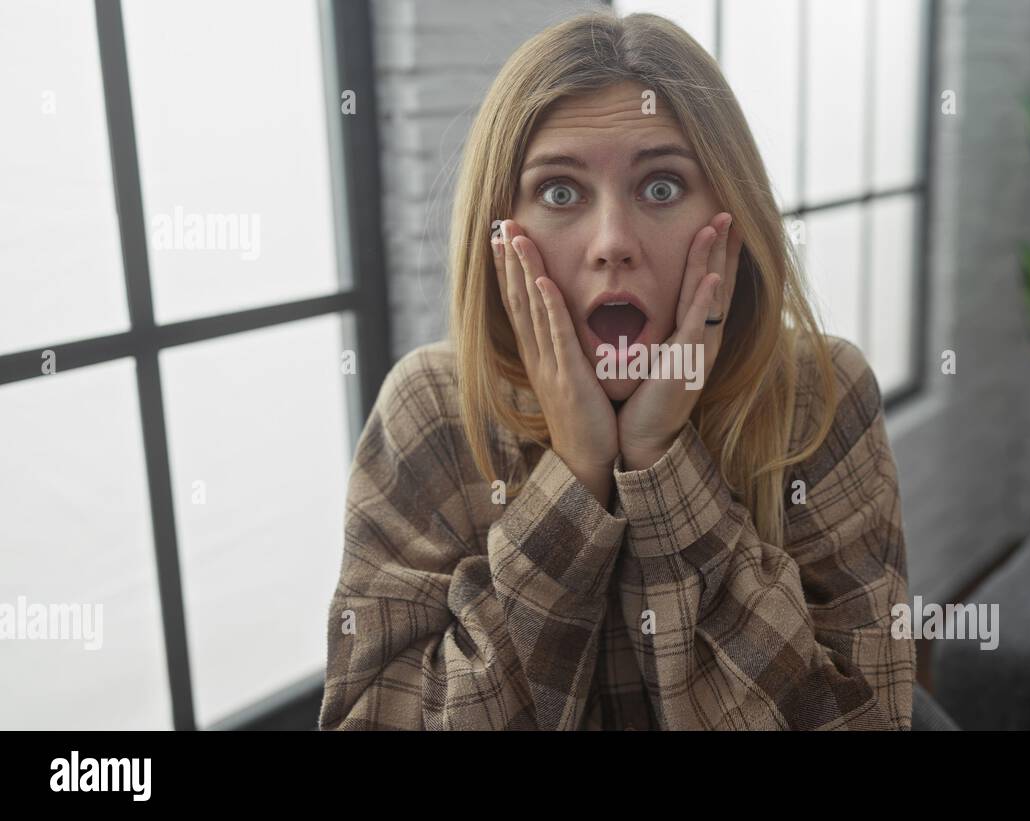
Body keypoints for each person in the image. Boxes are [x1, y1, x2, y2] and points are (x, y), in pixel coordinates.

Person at [319, 10, 915, 730]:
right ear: (498, 230)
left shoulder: (818, 393)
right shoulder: (430, 409)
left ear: (732, 213)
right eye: (560, 192)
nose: (612, 243)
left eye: (661, 187)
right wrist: (575, 474)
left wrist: (662, 464)